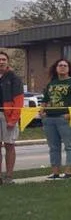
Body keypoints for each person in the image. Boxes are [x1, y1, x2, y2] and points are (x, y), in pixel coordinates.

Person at [40, 58, 71, 179]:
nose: (62, 67)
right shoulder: (51, 83)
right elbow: (45, 100)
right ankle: (55, 172)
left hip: (66, 118)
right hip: (49, 119)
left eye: (65, 65)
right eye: (60, 65)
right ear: (55, 68)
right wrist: (42, 112)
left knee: (70, 145)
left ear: (69, 68)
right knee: (53, 147)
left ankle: (68, 172)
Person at [0, 50, 24, 185]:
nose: (1, 62)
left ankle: (9, 176)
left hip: (8, 115)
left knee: (9, 145)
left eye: (3, 59)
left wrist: (13, 119)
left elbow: (19, 100)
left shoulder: (14, 78)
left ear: (7, 62)